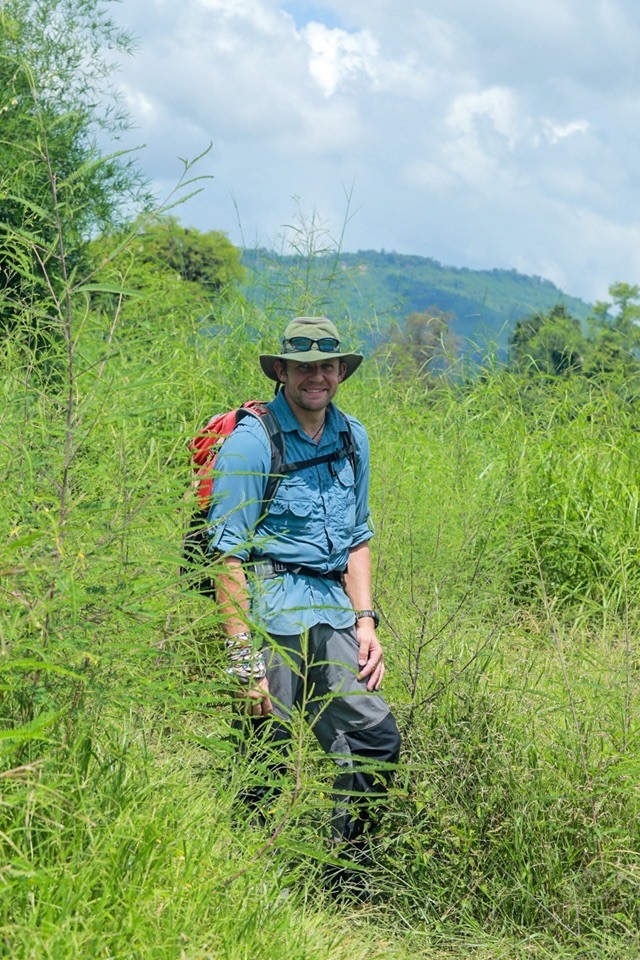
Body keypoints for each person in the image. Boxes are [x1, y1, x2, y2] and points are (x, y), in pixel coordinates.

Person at [207, 316, 401, 860]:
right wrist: (241, 656)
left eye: (326, 366)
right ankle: (246, 880)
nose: (316, 377)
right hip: (269, 614)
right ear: (283, 372)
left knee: (374, 742)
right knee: (263, 757)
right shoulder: (252, 442)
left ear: (340, 371)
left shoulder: (351, 437)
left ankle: (345, 875)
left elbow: (358, 538)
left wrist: (366, 621)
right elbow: (226, 553)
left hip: (334, 613)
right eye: (303, 367)